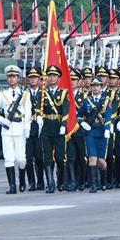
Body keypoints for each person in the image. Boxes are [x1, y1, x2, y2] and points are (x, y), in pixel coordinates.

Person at [0, 64, 31, 194]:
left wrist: (27, 128)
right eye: (9, 77)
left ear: (18, 78)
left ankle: (22, 180)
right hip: (7, 129)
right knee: (9, 158)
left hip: (20, 128)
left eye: (14, 76)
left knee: (21, 159)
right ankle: (12, 186)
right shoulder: (3, 94)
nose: (12, 79)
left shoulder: (24, 94)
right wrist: (2, 120)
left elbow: (28, 113)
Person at [79, 76, 113, 192]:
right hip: (91, 132)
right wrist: (83, 124)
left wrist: (108, 128)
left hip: (102, 132)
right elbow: (79, 116)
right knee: (92, 158)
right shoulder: (86, 101)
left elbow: (108, 115)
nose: (95, 88)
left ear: (101, 87)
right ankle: (94, 185)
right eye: (93, 86)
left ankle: (103, 180)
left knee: (101, 161)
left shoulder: (106, 100)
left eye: (97, 86)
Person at [40, 65, 69, 193]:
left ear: (58, 78)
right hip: (46, 127)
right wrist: (38, 117)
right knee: (47, 157)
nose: (52, 78)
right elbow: (37, 108)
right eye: (49, 76)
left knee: (60, 157)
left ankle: (61, 182)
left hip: (58, 127)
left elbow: (66, 111)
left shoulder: (63, 93)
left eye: (54, 76)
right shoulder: (42, 93)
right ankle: (50, 183)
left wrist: (63, 126)